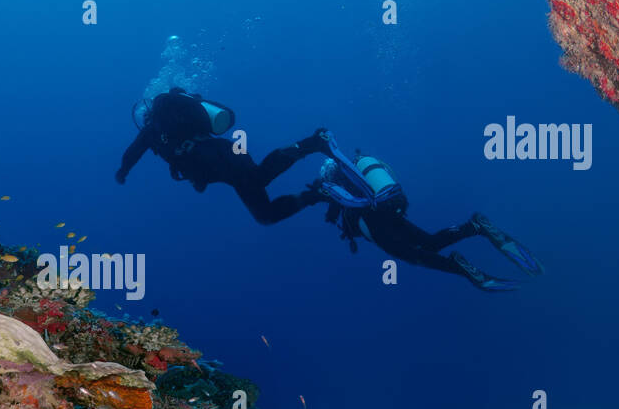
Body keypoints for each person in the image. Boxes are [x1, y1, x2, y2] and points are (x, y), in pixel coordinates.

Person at [305, 129, 544, 292]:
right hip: (390, 208)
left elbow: (338, 214)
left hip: (373, 218)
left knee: (415, 255)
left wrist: (325, 204)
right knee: (428, 243)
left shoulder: (340, 194)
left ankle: (460, 267)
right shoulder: (359, 177)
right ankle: (475, 226)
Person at [116, 88, 331, 225]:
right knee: (265, 212)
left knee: (259, 182)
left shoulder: (151, 131)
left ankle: (314, 145)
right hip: (228, 149)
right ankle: (315, 191)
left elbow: (131, 154)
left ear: (145, 117)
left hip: (217, 157)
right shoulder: (173, 120)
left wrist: (122, 172)